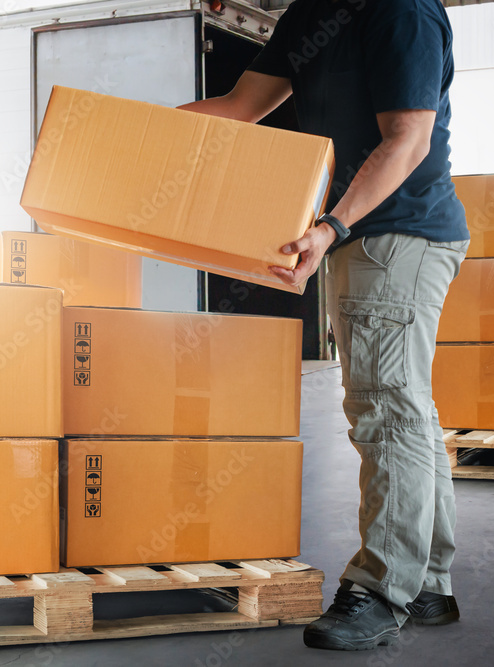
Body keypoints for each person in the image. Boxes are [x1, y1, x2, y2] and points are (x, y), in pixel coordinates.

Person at [179, 0, 470, 652]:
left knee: (384, 408)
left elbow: (409, 138)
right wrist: (131, 132)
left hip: (402, 232)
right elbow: (238, 106)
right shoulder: (309, 14)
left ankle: (380, 588)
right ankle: (426, 580)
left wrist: (332, 224)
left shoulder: (402, 11)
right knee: (404, 405)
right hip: (361, 234)